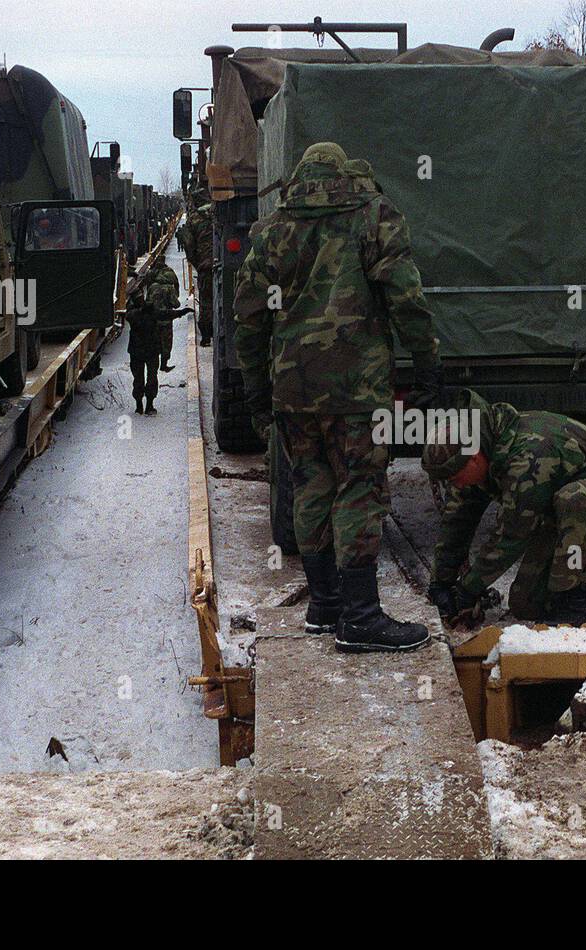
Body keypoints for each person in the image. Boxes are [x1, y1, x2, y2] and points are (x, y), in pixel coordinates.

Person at [234, 141, 443, 654]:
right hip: (357, 389)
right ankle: (361, 618)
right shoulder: (373, 217)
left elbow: (249, 322)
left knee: (311, 487)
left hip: (294, 390)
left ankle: (325, 604)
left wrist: (258, 397)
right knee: (358, 490)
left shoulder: (271, 232)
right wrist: (427, 366)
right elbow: (406, 297)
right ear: (346, 172)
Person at [421, 390, 586, 628]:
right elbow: (458, 520)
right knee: (526, 604)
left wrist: (467, 589)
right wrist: (441, 582)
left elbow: (511, 536)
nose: (456, 485)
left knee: (575, 500)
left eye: (455, 479)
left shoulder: (527, 456)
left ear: (474, 458)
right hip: (565, 509)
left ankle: (576, 599)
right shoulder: (478, 449)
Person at [126, 261, 184, 415]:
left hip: (137, 352)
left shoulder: (133, 314)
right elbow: (166, 314)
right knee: (150, 378)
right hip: (151, 351)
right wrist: (181, 312)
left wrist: (181, 313)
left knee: (139, 378)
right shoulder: (148, 312)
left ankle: (140, 405)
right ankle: (148, 405)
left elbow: (165, 314)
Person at [178, 191, 216, 346]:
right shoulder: (216, 212)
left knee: (206, 302)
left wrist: (197, 263)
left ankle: (206, 336)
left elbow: (189, 245)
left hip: (205, 266)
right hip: (221, 260)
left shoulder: (193, 219)